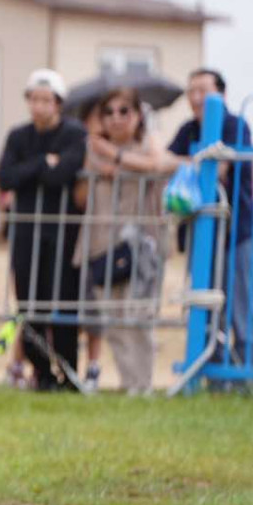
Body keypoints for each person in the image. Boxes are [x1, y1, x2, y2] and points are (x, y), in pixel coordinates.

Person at [0, 69, 87, 391]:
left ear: (58, 103)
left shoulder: (74, 133)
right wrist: (40, 163)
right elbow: (6, 177)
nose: (38, 106)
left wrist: (39, 169)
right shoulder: (18, 135)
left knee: (63, 301)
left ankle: (68, 373)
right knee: (29, 302)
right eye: (33, 99)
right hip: (25, 231)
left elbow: (61, 174)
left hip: (62, 232)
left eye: (45, 100)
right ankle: (43, 374)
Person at [162, 68, 253, 366]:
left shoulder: (234, 124)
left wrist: (183, 163)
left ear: (222, 95)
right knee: (203, 306)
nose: (196, 98)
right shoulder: (189, 129)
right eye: (192, 91)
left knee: (239, 305)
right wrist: (189, 162)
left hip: (235, 231)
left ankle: (247, 373)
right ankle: (211, 371)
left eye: (203, 90)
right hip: (200, 233)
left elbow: (219, 168)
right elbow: (161, 162)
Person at [79, 87, 167, 395]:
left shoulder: (148, 143)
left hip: (140, 247)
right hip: (102, 242)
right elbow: (80, 191)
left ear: (137, 115)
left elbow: (157, 165)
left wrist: (115, 156)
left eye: (123, 111)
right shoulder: (93, 150)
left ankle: (144, 384)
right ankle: (129, 382)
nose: (116, 118)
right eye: (109, 112)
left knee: (138, 317)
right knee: (112, 319)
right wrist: (98, 164)